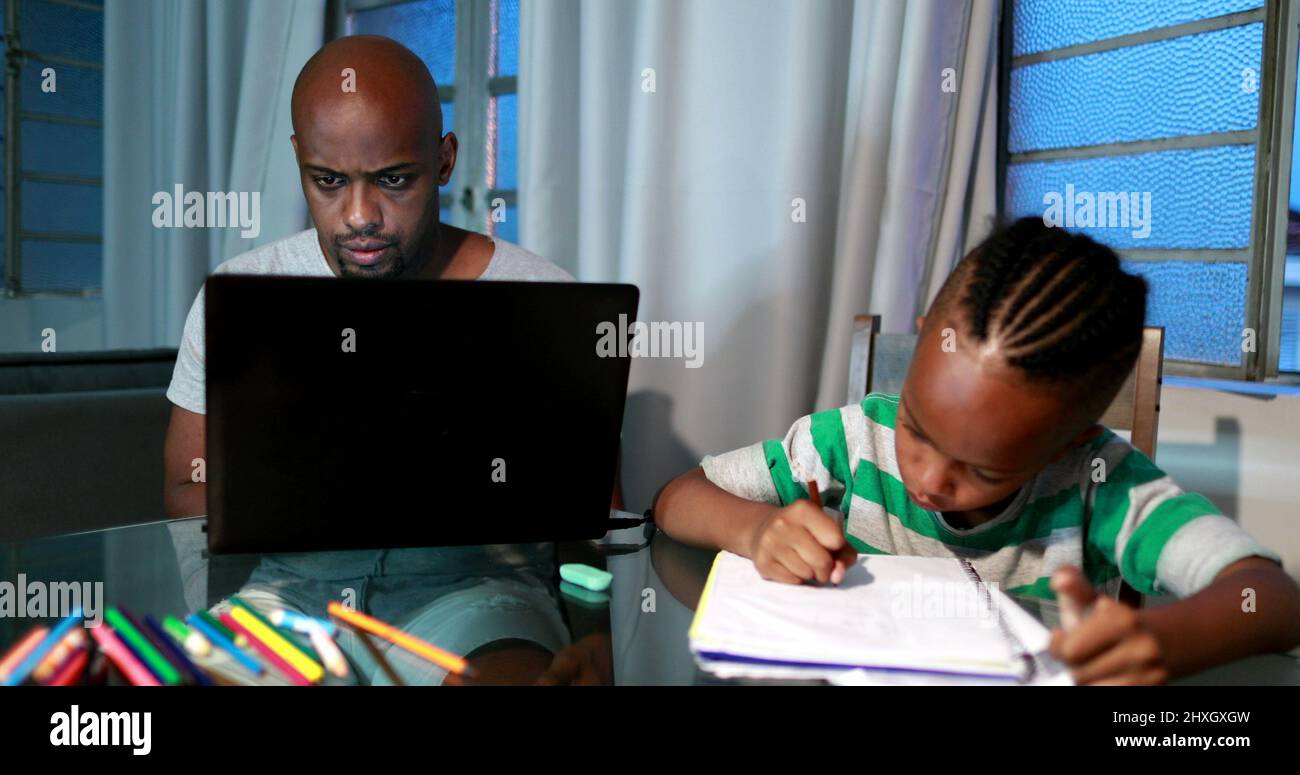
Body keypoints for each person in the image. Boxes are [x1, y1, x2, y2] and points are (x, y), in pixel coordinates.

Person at [653, 216, 1300, 685]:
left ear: (1070, 440)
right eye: (916, 426)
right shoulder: (847, 443)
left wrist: (1161, 639)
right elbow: (675, 499)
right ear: (926, 335)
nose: (929, 480)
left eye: (981, 467)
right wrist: (759, 527)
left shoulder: (1100, 484)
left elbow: (1271, 597)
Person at [163, 35, 574, 684]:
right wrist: (298, 487)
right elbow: (185, 488)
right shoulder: (242, 294)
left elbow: (595, 507)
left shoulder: (542, 297)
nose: (360, 216)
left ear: (443, 162)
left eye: (393, 180)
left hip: (475, 595)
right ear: (300, 161)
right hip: (288, 598)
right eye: (329, 182)